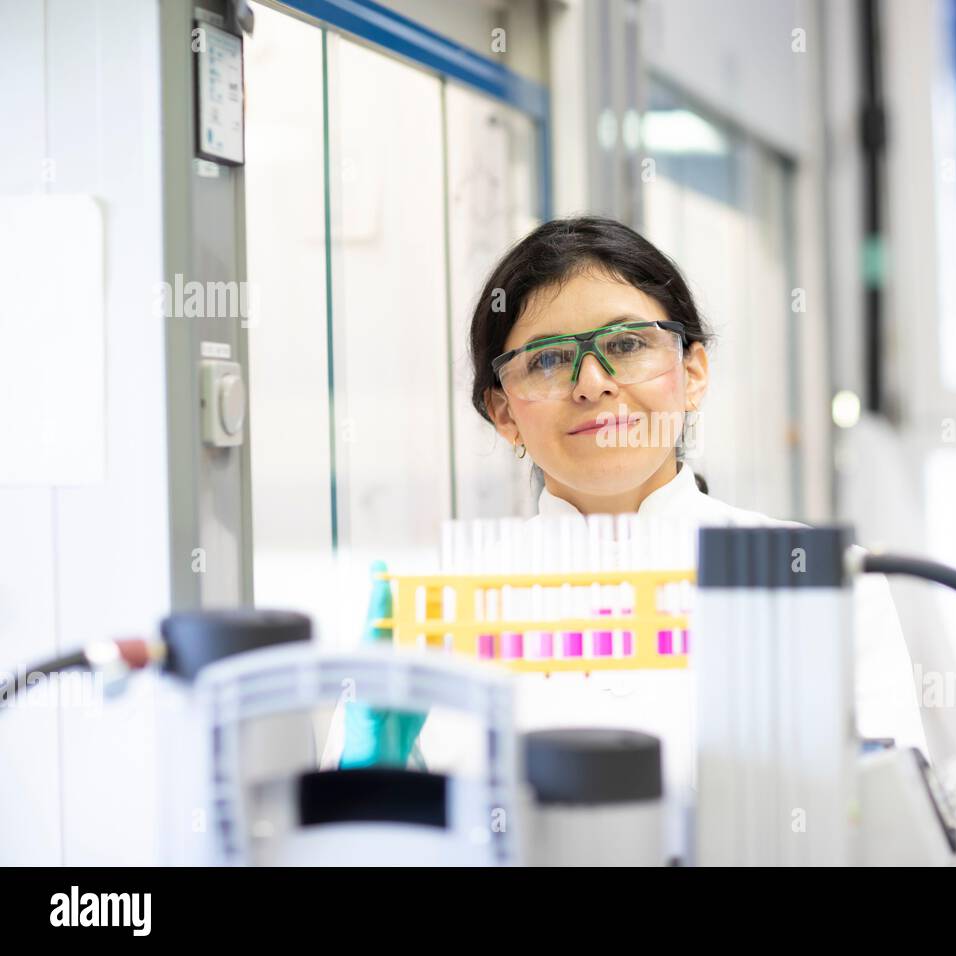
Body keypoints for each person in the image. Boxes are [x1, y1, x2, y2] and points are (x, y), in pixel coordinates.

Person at [327, 216, 925, 780]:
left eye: (628, 344)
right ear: (504, 413)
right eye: (550, 359)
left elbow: (891, 834)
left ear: (692, 373)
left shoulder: (815, 578)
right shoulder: (431, 616)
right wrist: (363, 793)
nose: (593, 383)